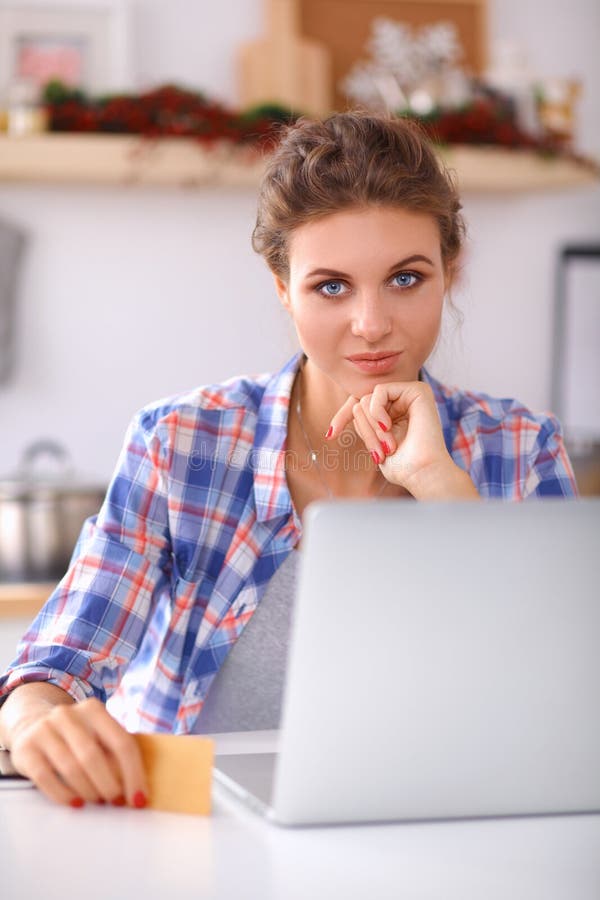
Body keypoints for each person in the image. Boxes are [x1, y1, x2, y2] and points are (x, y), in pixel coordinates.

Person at [0, 111, 577, 810]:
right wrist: (34, 716)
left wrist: (441, 488)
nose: (371, 324)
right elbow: (59, 662)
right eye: (331, 286)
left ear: (449, 273)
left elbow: (562, 702)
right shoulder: (181, 443)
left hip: (428, 835)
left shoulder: (520, 449)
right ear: (283, 289)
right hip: (193, 839)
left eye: (405, 278)